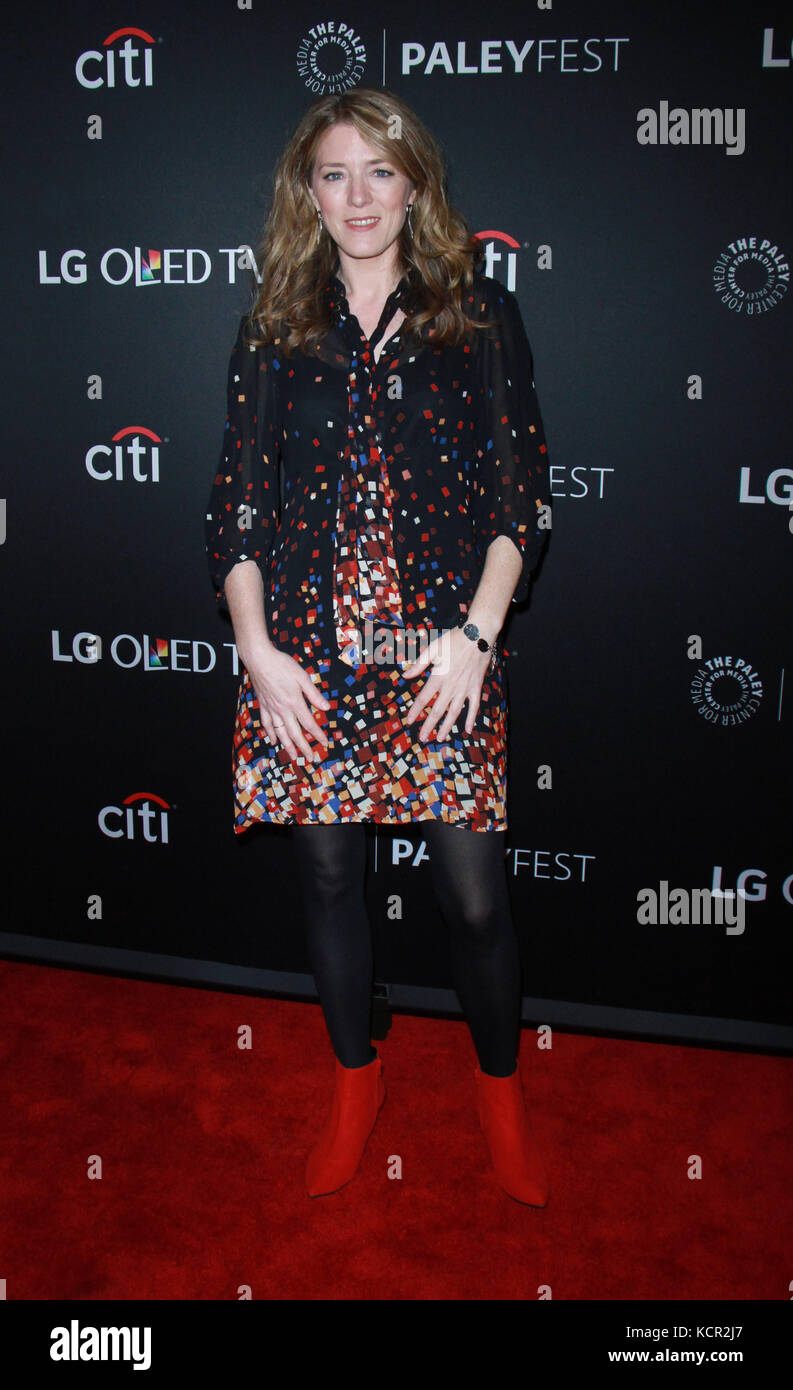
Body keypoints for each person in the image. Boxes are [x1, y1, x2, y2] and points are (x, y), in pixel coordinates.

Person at [205, 87, 552, 1206]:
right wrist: (255, 649)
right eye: (334, 174)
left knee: (476, 900)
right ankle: (357, 1083)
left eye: (380, 172)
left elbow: (521, 499)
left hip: (439, 652)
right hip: (306, 654)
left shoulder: (476, 314)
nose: (358, 196)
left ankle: (500, 1098)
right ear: (307, 191)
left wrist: (476, 637)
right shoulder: (274, 322)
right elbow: (239, 509)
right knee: (324, 875)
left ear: (416, 182)